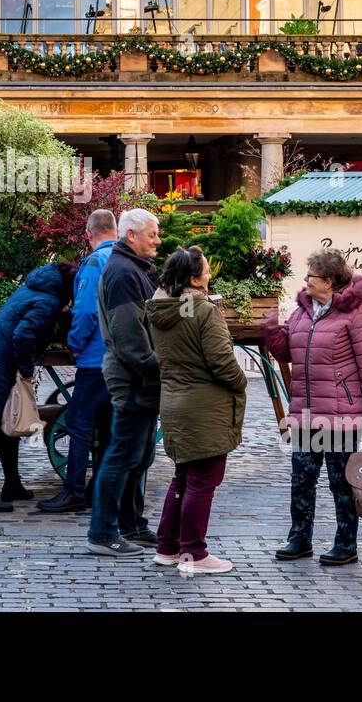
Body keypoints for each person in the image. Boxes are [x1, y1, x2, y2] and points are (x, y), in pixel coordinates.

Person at [264, 248, 362, 567]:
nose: (305, 281)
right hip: (306, 413)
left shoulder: (359, 314)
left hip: (340, 417)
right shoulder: (303, 311)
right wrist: (270, 329)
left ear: (329, 281)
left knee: (341, 481)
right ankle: (299, 538)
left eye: (311, 276)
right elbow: (288, 351)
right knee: (301, 478)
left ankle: (346, 543)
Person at [146, 246, 247, 575]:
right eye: (205, 271)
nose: (210, 275)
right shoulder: (202, 310)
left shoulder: (164, 309)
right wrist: (240, 381)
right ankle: (195, 553)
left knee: (184, 478)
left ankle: (167, 547)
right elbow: (222, 362)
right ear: (193, 278)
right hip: (204, 407)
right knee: (203, 480)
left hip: (175, 402)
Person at [0, 261, 76, 512]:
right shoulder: (47, 302)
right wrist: (26, 369)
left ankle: (12, 484)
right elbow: (23, 335)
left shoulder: (36, 289)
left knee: (4, 426)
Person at [86, 208, 161, 558]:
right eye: (153, 234)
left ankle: (132, 524)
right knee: (121, 455)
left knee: (138, 455)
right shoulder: (122, 273)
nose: (158, 241)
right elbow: (131, 339)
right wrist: (159, 367)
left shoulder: (134, 269)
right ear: (131, 235)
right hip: (132, 379)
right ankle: (102, 533)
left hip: (140, 378)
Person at [37, 209, 117, 513]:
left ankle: (73, 490)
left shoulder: (94, 263)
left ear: (89, 234)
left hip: (95, 358)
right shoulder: (125, 261)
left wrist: (73, 343)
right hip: (120, 360)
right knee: (108, 427)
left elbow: (85, 313)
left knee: (79, 423)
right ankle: (100, 488)